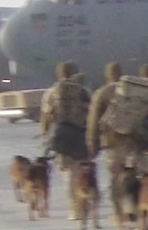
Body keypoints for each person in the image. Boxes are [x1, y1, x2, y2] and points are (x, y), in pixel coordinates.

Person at [39, 61, 92, 220]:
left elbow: (46, 116)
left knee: (68, 174)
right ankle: (84, 203)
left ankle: (75, 208)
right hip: (81, 134)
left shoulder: (52, 92)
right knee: (82, 170)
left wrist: (46, 135)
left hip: (62, 136)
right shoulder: (83, 91)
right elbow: (91, 112)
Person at [86, 61, 126, 192]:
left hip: (113, 141)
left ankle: (120, 208)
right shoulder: (134, 89)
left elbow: (93, 119)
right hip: (136, 140)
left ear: (107, 75)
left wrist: (92, 142)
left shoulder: (102, 93)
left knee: (117, 175)